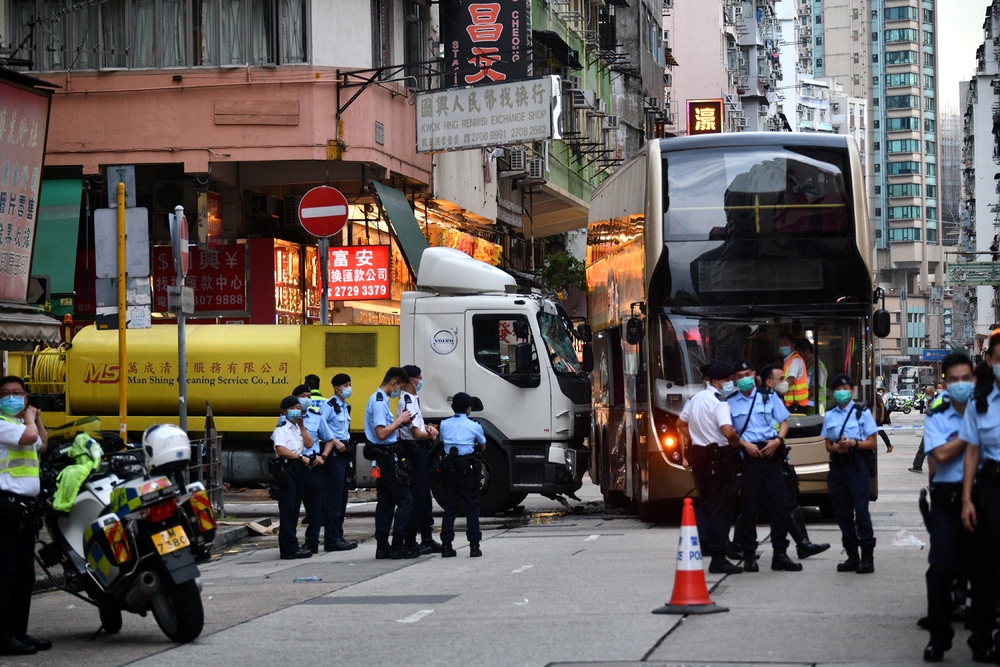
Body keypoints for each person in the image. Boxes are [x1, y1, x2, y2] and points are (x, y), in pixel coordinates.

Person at [921, 353, 975, 663]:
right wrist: (971, 433)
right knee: (941, 568)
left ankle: (982, 637)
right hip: (946, 500)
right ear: (945, 382)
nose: (960, 384)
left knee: (984, 571)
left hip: (980, 498)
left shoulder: (988, 410)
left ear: (974, 379)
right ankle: (938, 637)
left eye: (965, 378)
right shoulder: (937, 414)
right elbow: (939, 455)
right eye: (954, 379)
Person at [728, 360, 802, 572]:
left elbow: (784, 422)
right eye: (739, 376)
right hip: (749, 456)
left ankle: (780, 554)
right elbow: (728, 432)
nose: (744, 379)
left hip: (771, 453)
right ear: (735, 379)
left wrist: (778, 440)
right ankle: (749, 555)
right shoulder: (730, 402)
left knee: (779, 506)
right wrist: (744, 444)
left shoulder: (768, 396)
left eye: (747, 374)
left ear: (753, 375)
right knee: (749, 508)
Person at [677, 362, 743, 575]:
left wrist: (696, 437)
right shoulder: (719, 402)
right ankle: (719, 556)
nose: (731, 383)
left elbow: (680, 424)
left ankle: (706, 544)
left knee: (706, 503)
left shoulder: (696, 399)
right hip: (718, 458)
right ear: (716, 382)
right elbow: (727, 431)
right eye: (727, 380)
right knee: (720, 508)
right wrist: (737, 443)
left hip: (699, 457)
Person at [758, 364, 830, 559]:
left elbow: (783, 423)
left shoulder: (774, 398)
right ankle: (743, 547)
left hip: (776, 455)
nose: (786, 383)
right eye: (781, 379)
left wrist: (778, 440)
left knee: (782, 500)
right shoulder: (760, 400)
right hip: (763, 457)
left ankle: (801, 544)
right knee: (756, 504)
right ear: (769, 382)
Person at [0, 376, 50, 656]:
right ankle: (4, 637)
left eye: (17, 393)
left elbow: (41, 444)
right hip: (6, 509)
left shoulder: (22, 424)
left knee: (24, 576)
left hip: (25, 510)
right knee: (6, 575)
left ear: (26, 398)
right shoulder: (2, 424)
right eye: (5, 393)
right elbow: (30, 438)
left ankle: (19, 633)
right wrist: (30, 420)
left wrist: (37, 418)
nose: (11, 397)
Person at [960, 329, 1000, 663]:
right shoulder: (980, 402)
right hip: (992, 490)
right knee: (986, 567)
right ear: (990, 362)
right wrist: (967, 499)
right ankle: (983, 636)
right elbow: (972, 451)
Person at [822, 373, 878, 574]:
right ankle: (852, 556)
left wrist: (854, 443)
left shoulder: (862, 413)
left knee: (861, 512)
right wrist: (838, 448)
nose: (841, 393)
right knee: (842, 513)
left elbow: (872, 443)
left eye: (845, 389)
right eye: (838, 390)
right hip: (838, 467)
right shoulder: (830, 414)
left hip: (857, 466)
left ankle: (867, 558)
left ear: (852, 391)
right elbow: (828, 445)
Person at [365, 367, 418, 560]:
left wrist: (399, 422)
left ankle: (382, 546)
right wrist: (400, 420)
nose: (399, 392)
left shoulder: (379, 399)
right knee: (406, 501)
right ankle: (397, 544)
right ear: (393, 383)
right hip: (387, 457)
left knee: (386, 503)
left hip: (383, 457)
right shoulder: (379, 401)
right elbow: (381, 433)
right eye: (400, 387)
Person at [397, 365, 441, 554]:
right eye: (419, 378)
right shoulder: (406, 401)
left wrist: (428, 426)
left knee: (424, 496)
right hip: (413, 450)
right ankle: (411, 539)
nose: (420, 381)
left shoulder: (414, 398)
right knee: (418, 496)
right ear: (411, 380)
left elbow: (419, 425)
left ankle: (426, 536)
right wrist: (430, 435)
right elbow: (415, 433)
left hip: (419, 450)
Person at [438, 392, 487, 558]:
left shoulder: (444, 424)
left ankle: (446, 545)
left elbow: (443, 441)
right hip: (468, 468)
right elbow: (483, 446)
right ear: (468, 409)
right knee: (472, 507)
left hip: (449, 468)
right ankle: (474, 546)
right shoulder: (474, 425)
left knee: (450, 506)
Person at [271, 395, 314, 560]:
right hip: (287, 469)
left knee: (295, 509)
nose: (297, 411)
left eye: (298, 408)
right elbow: (281, 450)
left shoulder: (298, 428)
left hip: (299, 469)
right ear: (285, 411)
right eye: (293, 408)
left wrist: (302, 426)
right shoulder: (281, 429)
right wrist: (299, 457)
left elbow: (309, 444)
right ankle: (288, 549)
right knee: (288, 509)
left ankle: (293, 545)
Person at [322, 373, 358, 552]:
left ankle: (338, 535)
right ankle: (331, 539)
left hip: (344, 454)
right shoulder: (329, 405)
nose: (348, 388)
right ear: (336, 388)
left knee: (342, 497)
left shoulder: (344, 406)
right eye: (345, 385)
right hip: (334, 454)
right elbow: (320, 425)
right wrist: (334, 441)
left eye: (349, 384)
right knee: (334, 497)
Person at [911, 385, 938, 473]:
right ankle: (917, 466)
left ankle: (917, 466)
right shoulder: (927, 402)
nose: (927, 395)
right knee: (923, 448)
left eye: (928, 393)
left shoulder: (936, 403)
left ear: (933, 394)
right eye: (926, 393)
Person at [779, 333, 808, 413]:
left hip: (797, 406)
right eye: (781, 344)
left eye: (785, 344)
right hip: (792, 404)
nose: (783, 346)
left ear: (792, 345)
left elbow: (789, 380)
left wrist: (775, 388)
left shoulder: (795, 360)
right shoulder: (788, 361)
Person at [799, 339, 827, 415]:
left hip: (816, 411)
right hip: (808, 409)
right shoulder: (808, 366)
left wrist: (798, 398)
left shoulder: (818, 368)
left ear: (806, 352)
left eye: (799, 354)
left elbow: (813, 391)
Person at [875, 388, 893, 453]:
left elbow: (882, 406)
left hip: (877, 417)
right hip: (870, 417)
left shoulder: (877, 396)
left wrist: (882, 416)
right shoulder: (867, 397)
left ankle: (889, 445)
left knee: (881, 432)